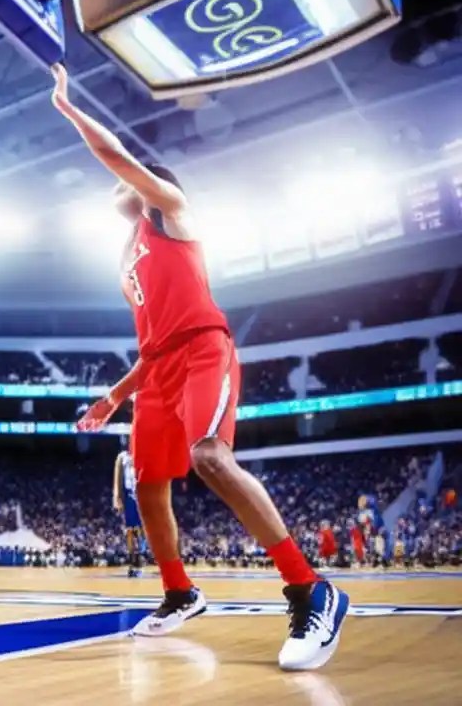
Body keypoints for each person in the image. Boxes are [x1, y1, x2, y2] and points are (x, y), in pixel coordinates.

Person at [53, 62, 348, 671]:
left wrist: (70, 107)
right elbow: (152, 342)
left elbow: (115, 157)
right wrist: (114, 395)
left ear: (148, 181)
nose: (116, 184)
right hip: (158, 371)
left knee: (210, 457)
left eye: (127, 179)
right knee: (148, 486)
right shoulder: (127, 254)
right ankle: (179, 592)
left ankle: (310, 588)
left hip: (203, 352)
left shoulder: (170, 208)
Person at [113, 443, 144, 578]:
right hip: (129, 496)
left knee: (140, 530)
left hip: (141, 495)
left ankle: (139, 556)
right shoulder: (122, 457)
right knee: (130, 531)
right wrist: (117, 497)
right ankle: (133, 559)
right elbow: (117, 480)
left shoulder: (142, 453)